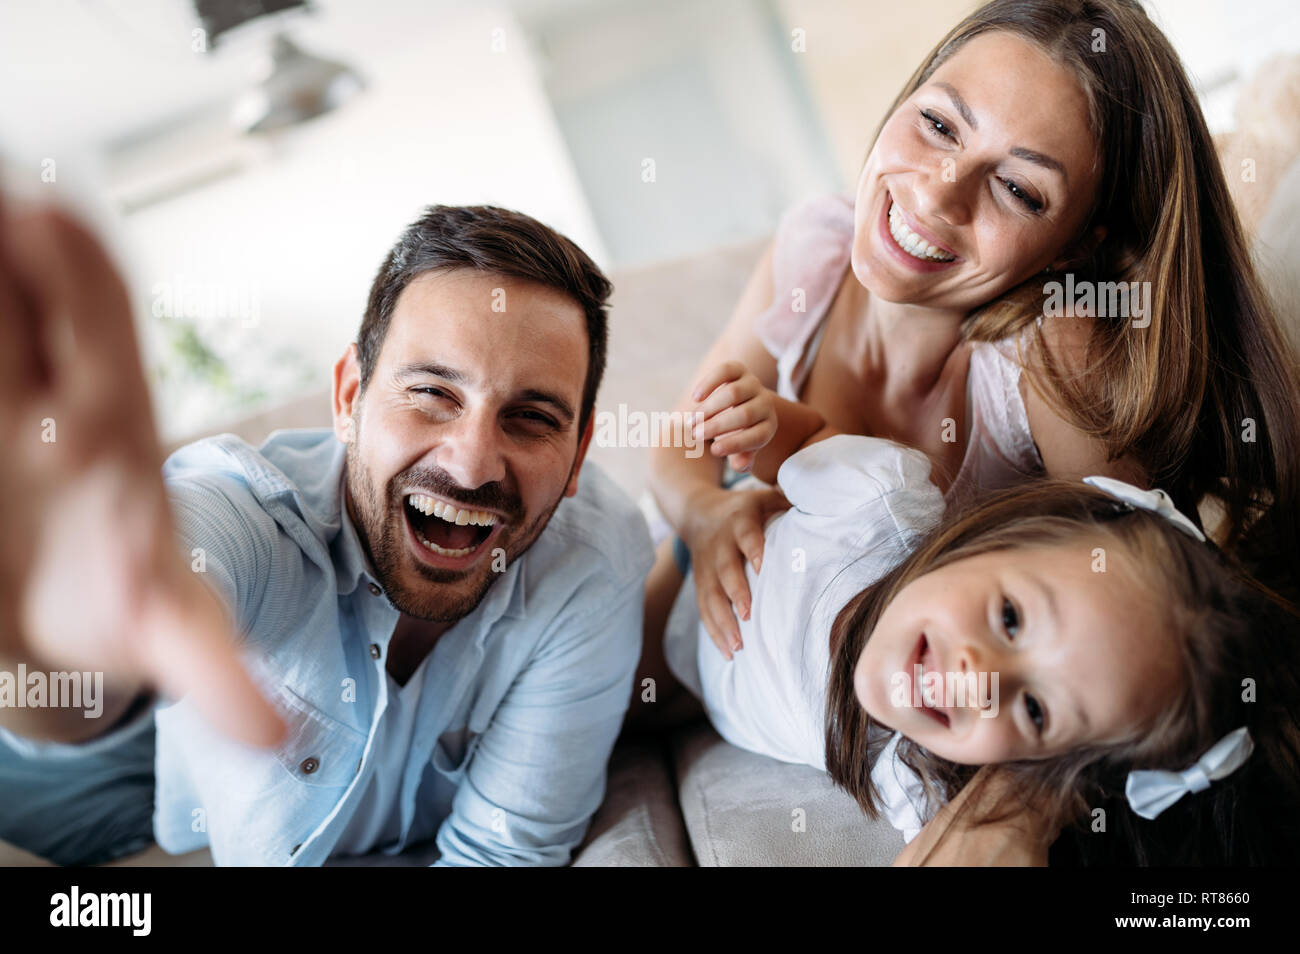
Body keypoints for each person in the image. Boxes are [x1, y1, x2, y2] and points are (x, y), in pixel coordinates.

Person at [635, 0, 1300, 862]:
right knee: (591, 662)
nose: (938, 192)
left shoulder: (1052, 348)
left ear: (1077, 243)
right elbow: (685, 432)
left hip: (787, 655)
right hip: (707, 568)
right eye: (939, 123)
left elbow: (1133, 576)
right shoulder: (815, 249)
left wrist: (1011, 807)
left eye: (1019, 188)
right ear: (909, 94)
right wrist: (702, 512)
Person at [0, 200, 653, 866]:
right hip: (95, 772)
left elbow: (499, 854)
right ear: (348, 398)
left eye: (533, 416)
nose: (472, 462)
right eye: (432, 393)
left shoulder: (594, 560)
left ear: (579, 451)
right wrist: (40, 643)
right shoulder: (252, 514)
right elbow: (141, 604)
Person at [654, 363, 1300, 866]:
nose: (981, 678)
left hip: (691, 684)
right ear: (998, 537)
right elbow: (808, 441)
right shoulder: (875, 502)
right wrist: (759, 423)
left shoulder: (914, 773)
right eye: (1012, 619)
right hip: (686, 556)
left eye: (1036, 711)